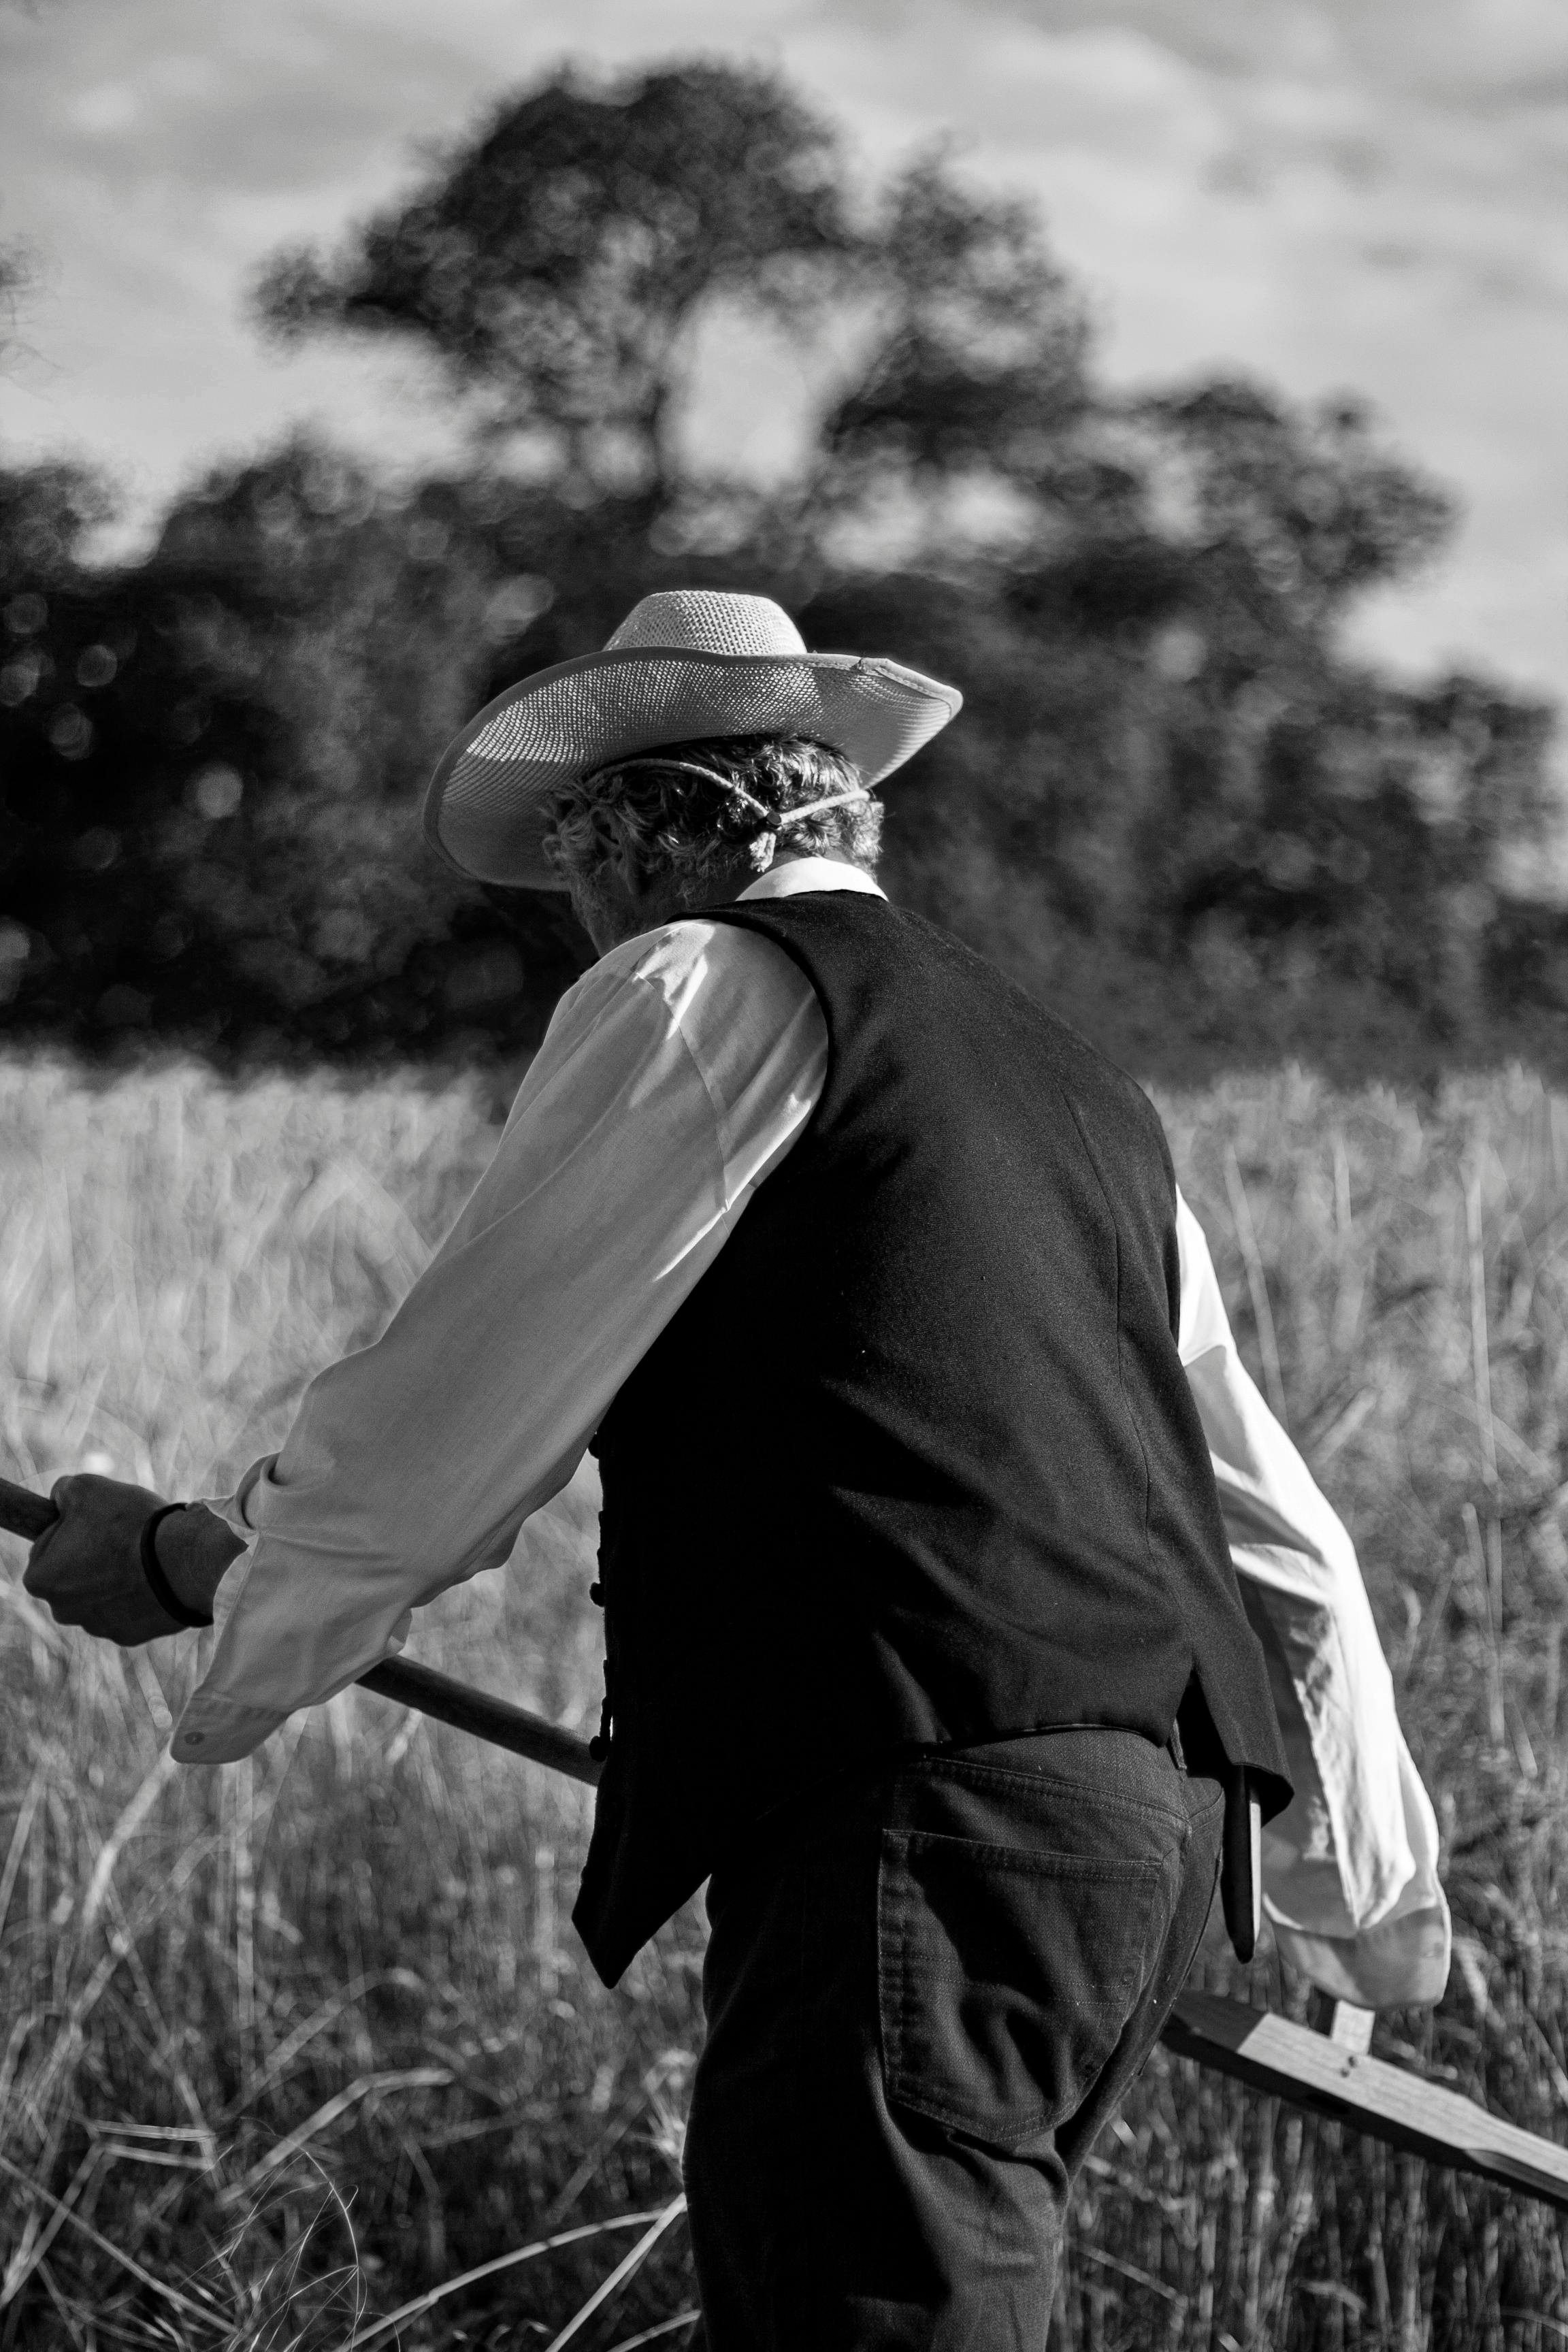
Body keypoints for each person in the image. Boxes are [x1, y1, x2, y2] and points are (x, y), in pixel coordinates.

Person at [26, 591, 1448, 2347]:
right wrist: (1359, 1891)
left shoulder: (697, 982)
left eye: (580, 871)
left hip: (919, 1824)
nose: (584, 923)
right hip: (1138, 1841)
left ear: (653, 835)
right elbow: (1278, 1530)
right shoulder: (1083, 1085)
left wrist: (186, 1567)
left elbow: (453, 1422)